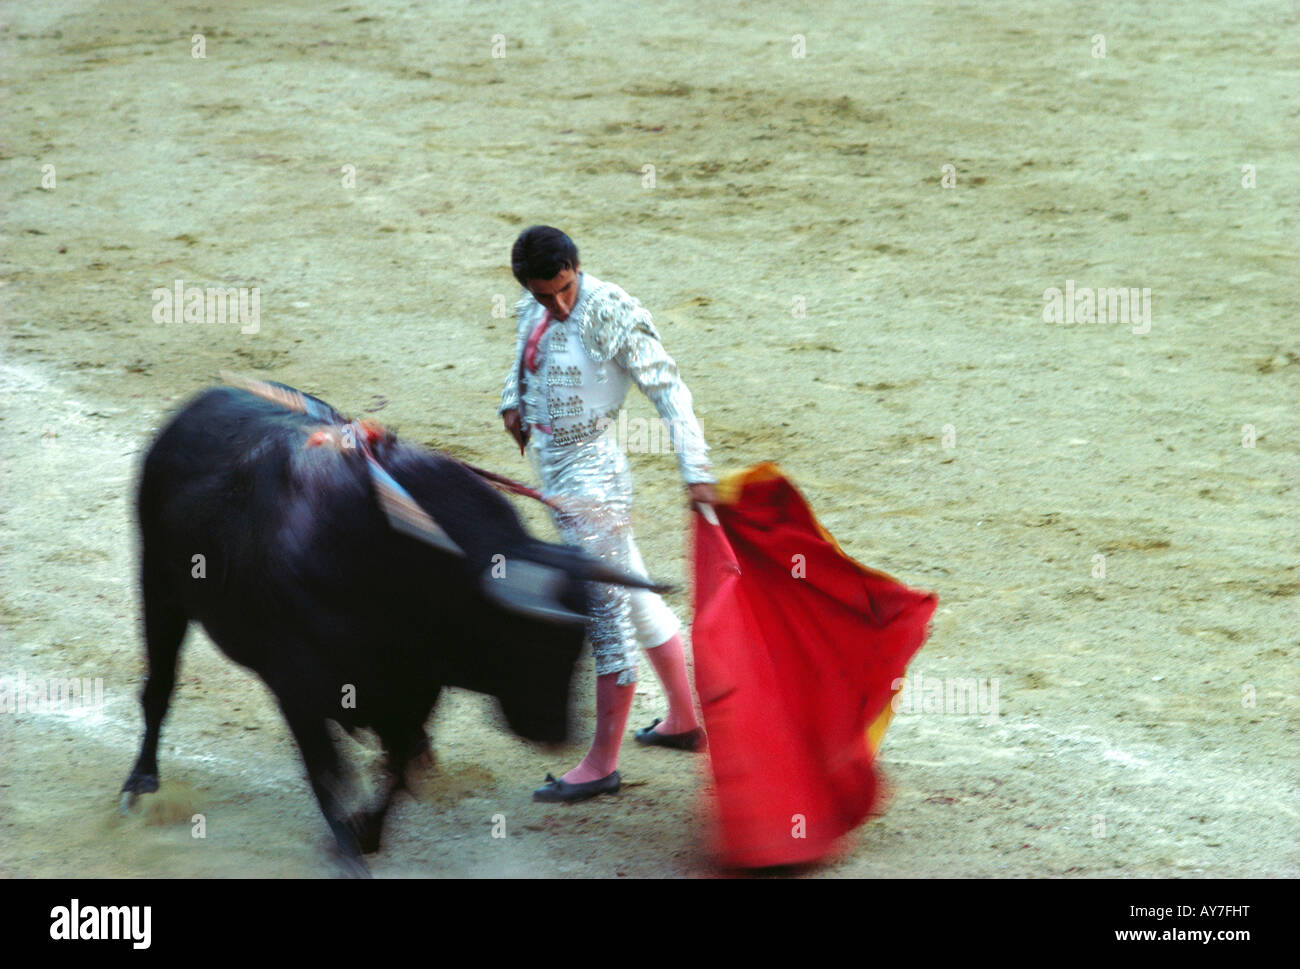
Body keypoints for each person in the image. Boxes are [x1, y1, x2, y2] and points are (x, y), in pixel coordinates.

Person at [498, 225, 717, 802]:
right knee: (635, 597)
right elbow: (527, 353)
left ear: (576, 265)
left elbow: (671, 391)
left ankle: (602, 763)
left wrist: (696, 471)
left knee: (606, 614)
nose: (558, 304)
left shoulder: (613, 310)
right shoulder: (533, 303)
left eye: (565, 288)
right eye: (545, 294)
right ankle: (683, 718)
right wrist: (513, 401)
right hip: (558, 468)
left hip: (592, 478)